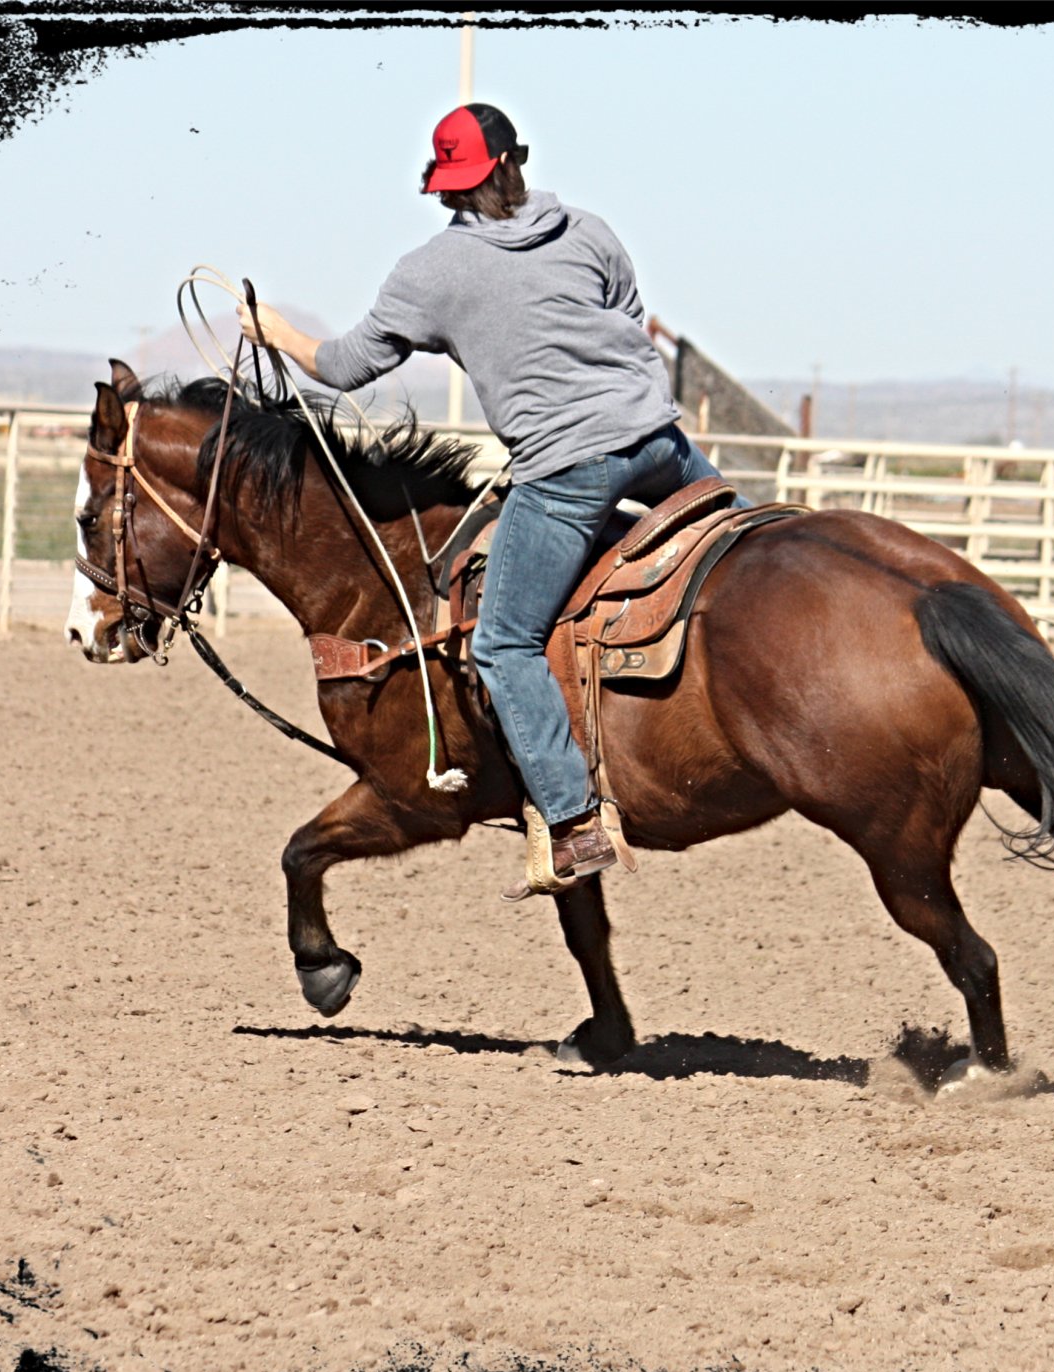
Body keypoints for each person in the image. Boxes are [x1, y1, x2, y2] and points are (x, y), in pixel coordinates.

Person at [238, 102, 720, 895]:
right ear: (512, 164)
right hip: (659, 443)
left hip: (570, 470)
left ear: (446, 186)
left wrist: (278, 333)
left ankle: (570, 822)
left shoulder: (432, 271)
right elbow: (628, 318)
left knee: (502, 643)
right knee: (738, 539)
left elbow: (348, 365)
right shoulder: (590, 230)